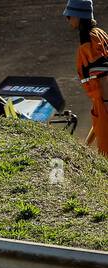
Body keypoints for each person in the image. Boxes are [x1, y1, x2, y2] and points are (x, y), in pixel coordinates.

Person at [66, 0, 108, 157]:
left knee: (105, 154)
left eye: (69, 16)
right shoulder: (99, 33)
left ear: (78, 16)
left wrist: (106, 107)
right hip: (101, 103)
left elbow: (104, 76)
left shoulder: (89, 42)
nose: (68, 19)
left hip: (104, 102)